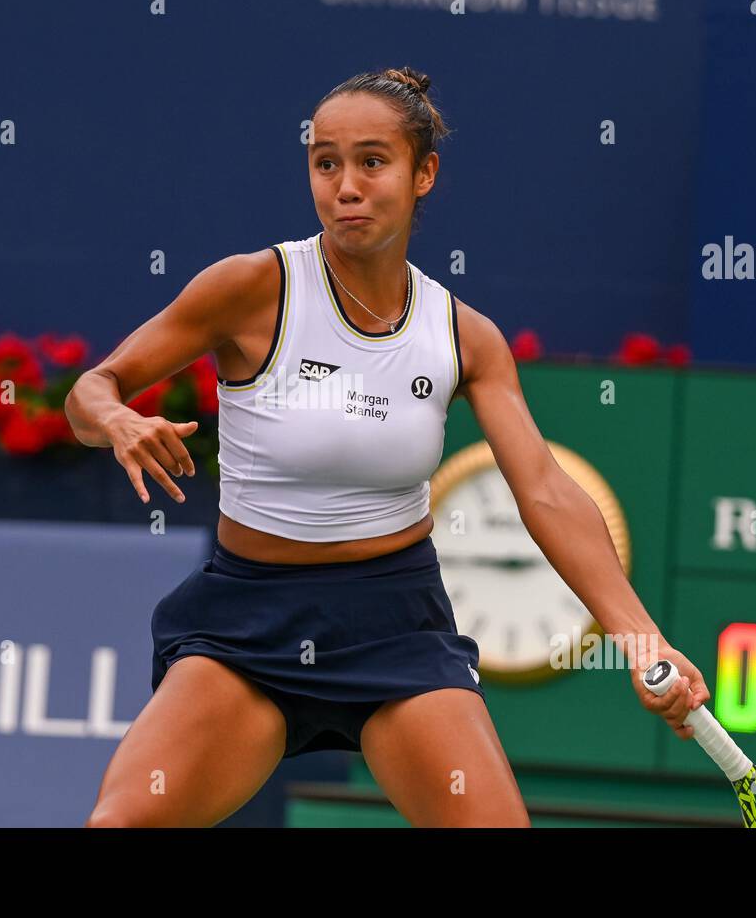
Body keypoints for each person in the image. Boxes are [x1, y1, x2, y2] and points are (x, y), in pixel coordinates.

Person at [65, 66, 709, 828]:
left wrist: (639, 634)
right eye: (325, 161)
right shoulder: (248, 288)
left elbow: (543, 489)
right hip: (247, 624)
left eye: (373, 161)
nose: (345, 185)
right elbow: (90, 388)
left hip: (395, 627)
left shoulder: (464, 336)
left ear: (423, 172)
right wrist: (115, 419)